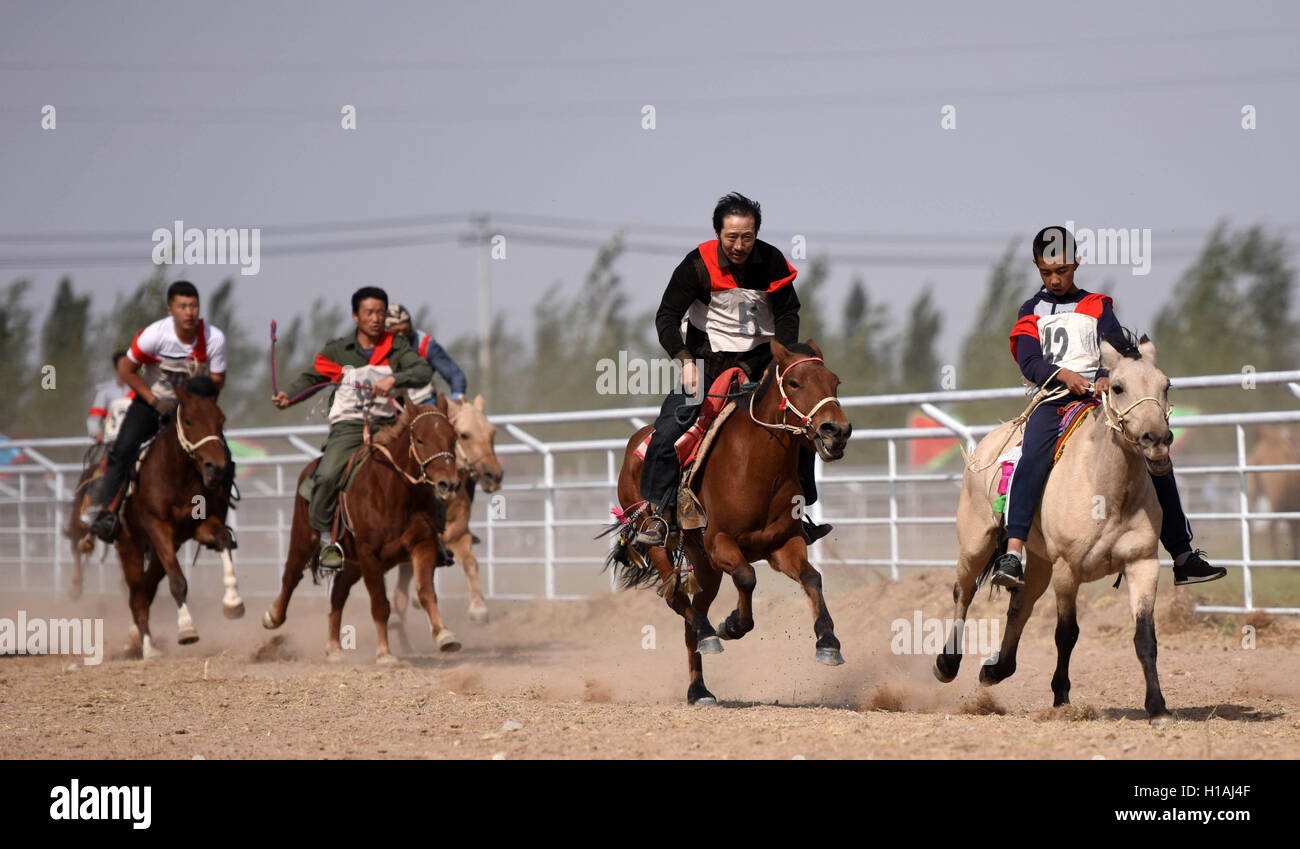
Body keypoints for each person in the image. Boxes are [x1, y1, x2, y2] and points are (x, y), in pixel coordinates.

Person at [990, 226, 1226, 589]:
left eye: (1062, 271)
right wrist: (1063, 375)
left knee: (1155, 454)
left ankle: (1182, 554)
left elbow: (1119, 348)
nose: (1055, 279)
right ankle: (1014, 551)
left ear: (1076, 264)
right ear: (1037, 268)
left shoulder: (1098, 305)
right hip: (1053, 401)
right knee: (1033, 456)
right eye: (1046, 272)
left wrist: (1103, 374)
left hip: (1100, 402)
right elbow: (1029, 361)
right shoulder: (1030, 310)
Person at [636, 191, 831, 547]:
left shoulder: (772, 261)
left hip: (760, 364)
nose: (739, 245)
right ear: (717, 233)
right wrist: (684, 362)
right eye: (731, 237)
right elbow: (666, 318)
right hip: (705, 364)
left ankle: (800, 513)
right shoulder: (695, 265)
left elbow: (788, 313)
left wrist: (783, 358)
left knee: (800, 428)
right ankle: (659, 516)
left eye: (747, 236)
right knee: (668, 429)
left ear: (756, 233)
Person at [271, 286, 433, 569]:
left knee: (432, 467)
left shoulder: (397, 347)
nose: (376, 318)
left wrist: (395, 379)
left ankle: (435, 538)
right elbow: (312, 378)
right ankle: (326, 542)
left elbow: (422, 371)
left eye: (381, 312)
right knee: (327, 475)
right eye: (369, 312)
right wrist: (289, 396)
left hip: (391, 423)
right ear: (356, 316)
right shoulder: (338, 350)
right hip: (349, 426)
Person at [89, 281, 228, 541]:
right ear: (170, 309)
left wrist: (201, 398)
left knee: (222, 453)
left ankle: (217, 518)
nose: (189, 312)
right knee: (123, 449)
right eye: (183, 306)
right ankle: (108, 514)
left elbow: (219, 379)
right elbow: (127, 371)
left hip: (190, 409)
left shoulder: (214, 338)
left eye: (194, 306)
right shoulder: (154, 336)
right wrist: (154, 401)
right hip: (151, 404)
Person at [383, 304, 468, 404]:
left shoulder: (425, 344)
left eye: (406, 330)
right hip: (389, 404)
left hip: (423, 402)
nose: (402, 335)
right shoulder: (377, 346)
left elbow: (454, 374)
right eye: (397, 332)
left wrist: (457, 397)